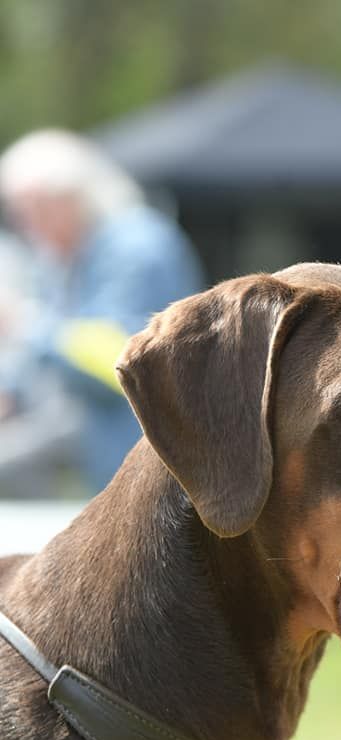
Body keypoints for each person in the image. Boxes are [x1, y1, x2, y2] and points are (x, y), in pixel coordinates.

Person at [0, 128, 203, 492]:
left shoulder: (138, 248)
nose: (29, 228)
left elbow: (117, 358)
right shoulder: (74, 254)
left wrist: (26, 324)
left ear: (71, 197)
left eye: (34, 211)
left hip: (150, 461)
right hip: (106, 458)